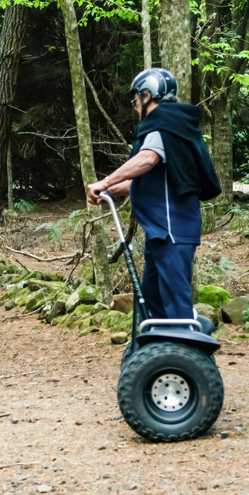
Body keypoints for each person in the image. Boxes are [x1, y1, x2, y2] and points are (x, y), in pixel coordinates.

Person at [86, 68, 221, 321]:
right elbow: (150, 179)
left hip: (172, 230)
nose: (134, 105)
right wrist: (111, 189)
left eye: (135, 99)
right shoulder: (171, 126)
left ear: (147, 95)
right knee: (151, 299)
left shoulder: (164, 125)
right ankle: (155, 353)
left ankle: (184, 355)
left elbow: (147, 160)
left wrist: (104, 181)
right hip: (161, 232)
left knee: (174, 302)